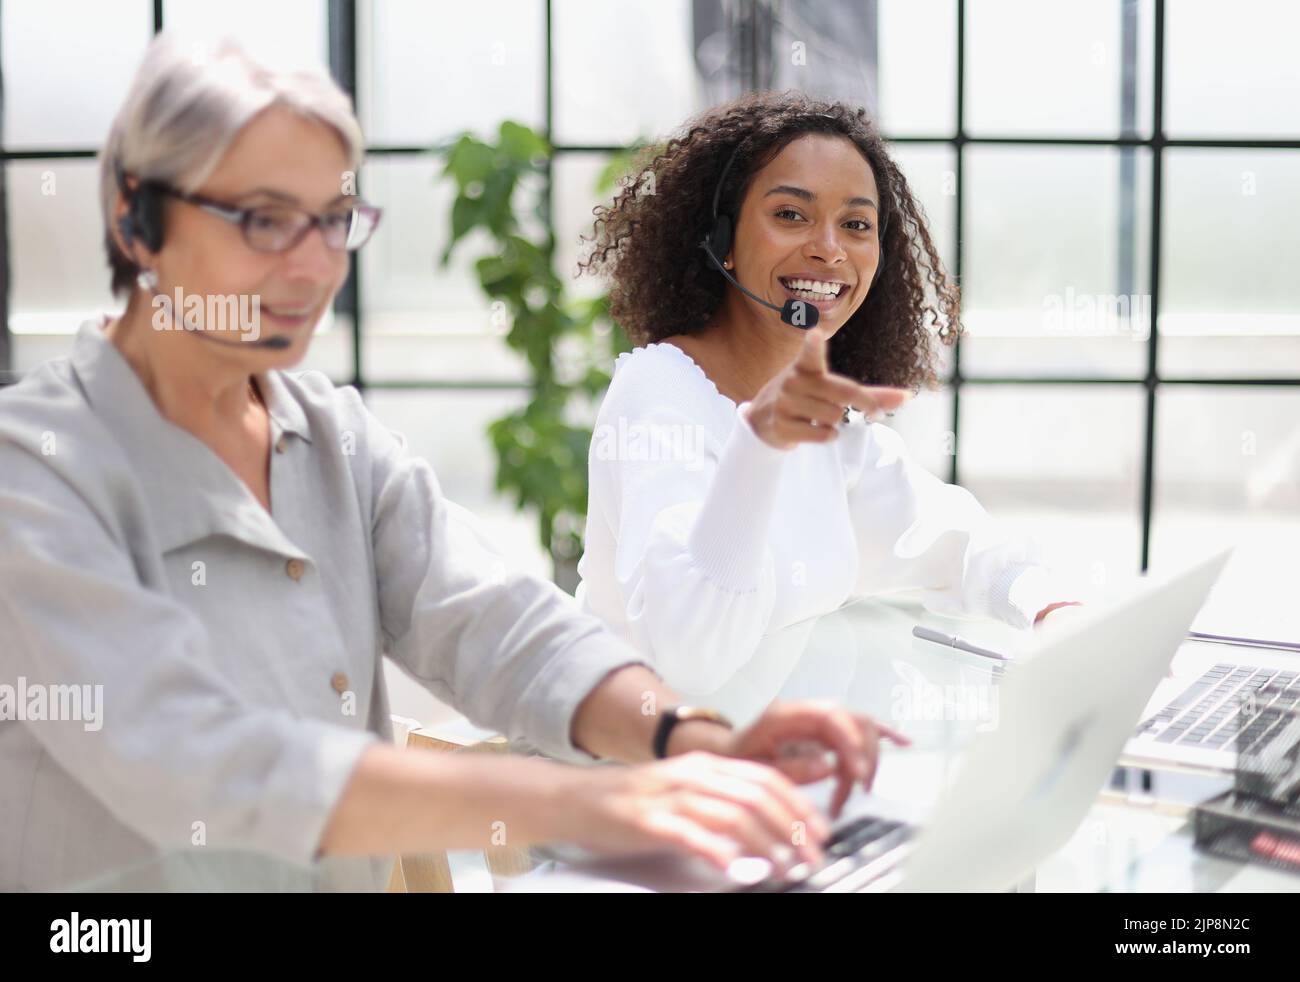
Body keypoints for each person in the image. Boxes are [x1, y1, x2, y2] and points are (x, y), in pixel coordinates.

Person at [0, 39, 904, 892]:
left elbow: (496, 625)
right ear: (135, 214)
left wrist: (688, 737)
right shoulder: (35, 468)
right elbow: (193, 756)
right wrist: (601, 800)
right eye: (264, 220)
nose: (312, 266)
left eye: (332, 221)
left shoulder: (333, 438)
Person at [576, 92, 1079, 694]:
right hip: (636, 770)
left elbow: (959, 542)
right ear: (722, 239)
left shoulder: (825, 427)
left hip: (763, 761)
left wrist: (1053, 609)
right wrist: (756, 449)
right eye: (791, 214)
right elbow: (692, 658)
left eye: (857, 225)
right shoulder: (659, 393)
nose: (830, 248)